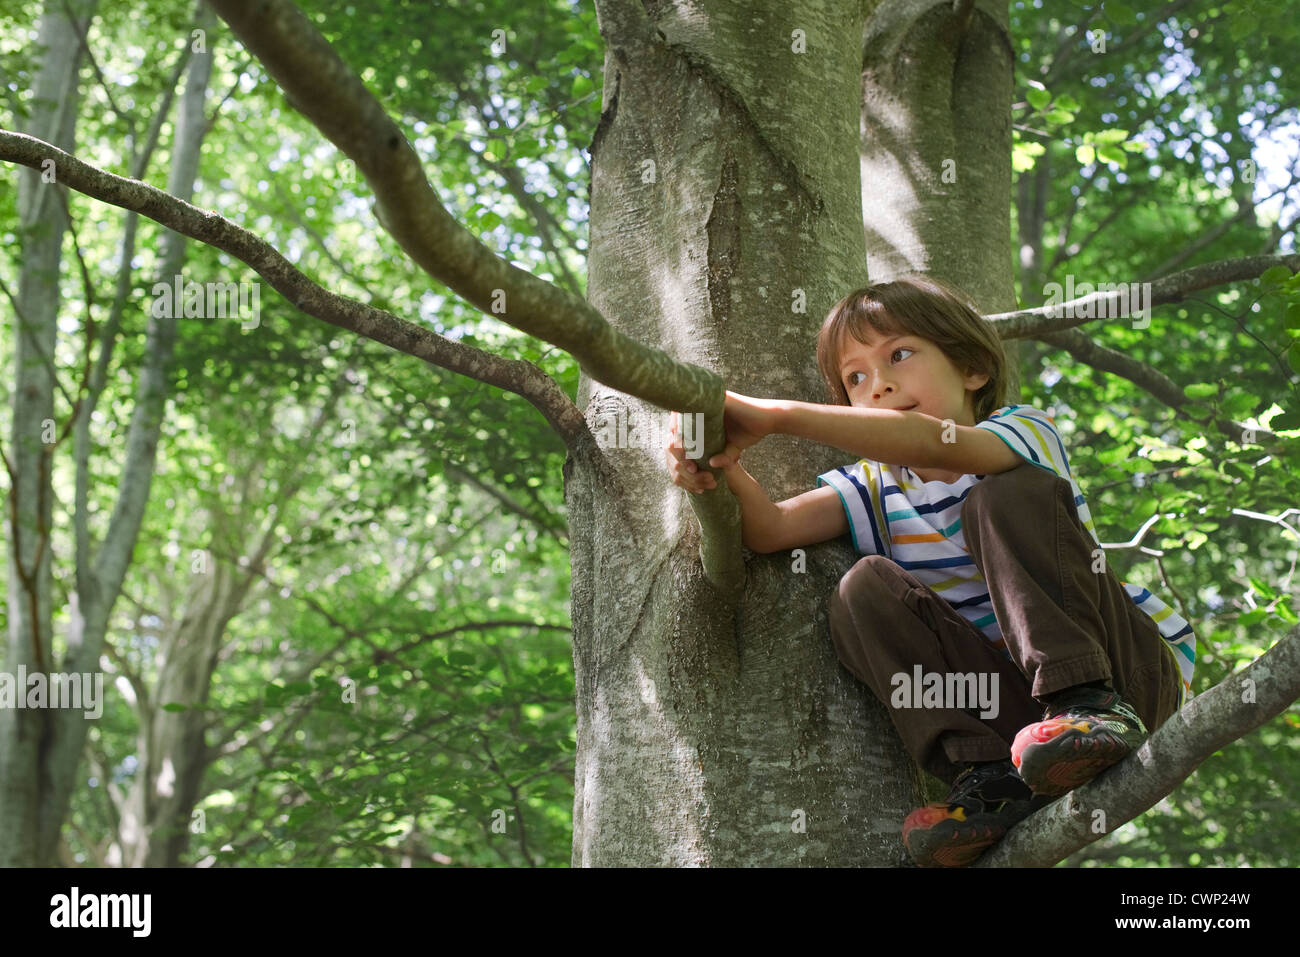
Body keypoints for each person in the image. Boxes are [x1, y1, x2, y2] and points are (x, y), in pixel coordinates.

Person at [664, 275, 1195, 867]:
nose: (880, 383)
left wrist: (776, 415)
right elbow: (770, 531)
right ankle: (991, 778)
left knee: (1001, 499)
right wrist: (720, 466)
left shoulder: (1020, 431)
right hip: (1023, 721)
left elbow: (937, 445)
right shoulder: (875, 486)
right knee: (860, 588)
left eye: (899, 355)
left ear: (973, 370)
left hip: (1127, 675)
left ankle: (1090, 706)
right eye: (856, 378)